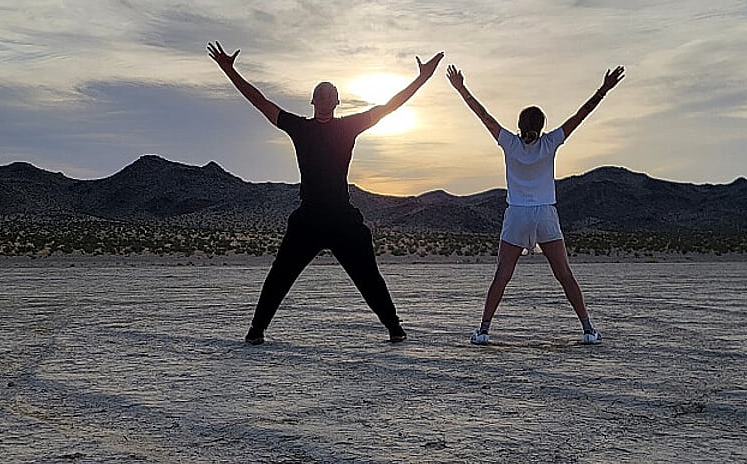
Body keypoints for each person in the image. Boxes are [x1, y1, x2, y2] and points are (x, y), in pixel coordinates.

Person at [208, 41, 444, 345]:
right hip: (308, 219)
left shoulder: (349, 127)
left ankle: (394, 327)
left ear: (337, 102)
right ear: (312, 100)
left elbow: (391, 106)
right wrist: (230, 71)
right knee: (280, 275)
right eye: (319, 95)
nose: (323, 100)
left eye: (329, 96)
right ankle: (256, 330)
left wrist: (422, 78)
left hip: (342, 219)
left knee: (368, 276)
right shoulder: (300, 128)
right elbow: (260, 101)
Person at [446, 62, 625, 345]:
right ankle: (588, 330)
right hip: (545, 215)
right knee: (564, 275)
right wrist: (604, 88)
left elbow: (483, 115)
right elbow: (582, 114)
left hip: (516, 216)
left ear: (520, 125)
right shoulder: (549, 143)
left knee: (501, 277)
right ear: (541, 127)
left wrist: (461, 88)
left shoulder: (509, 143)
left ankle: (482, 330)